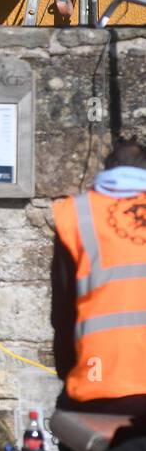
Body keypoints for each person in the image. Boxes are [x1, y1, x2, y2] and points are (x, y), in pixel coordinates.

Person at [51, 136, 146, 414]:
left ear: (107, 170)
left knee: (71, 432)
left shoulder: (77, 213)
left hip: (101, 379)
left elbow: (63, 312)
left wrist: (68, 374)